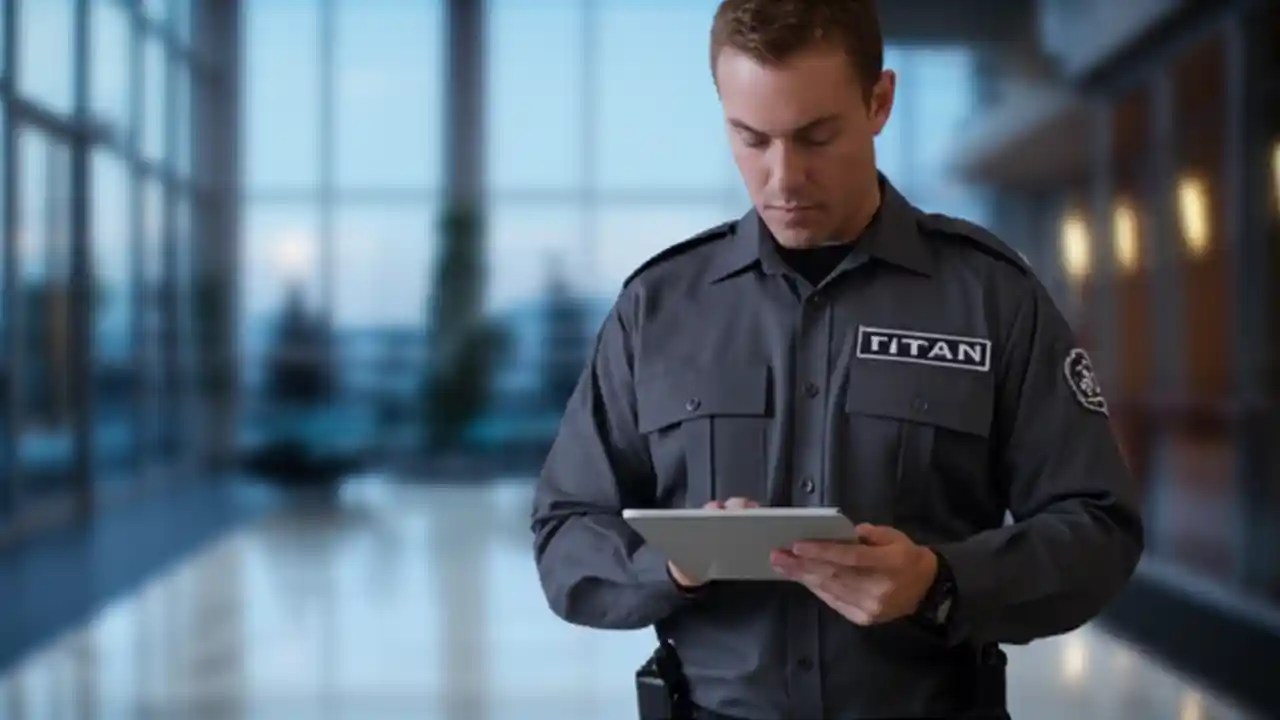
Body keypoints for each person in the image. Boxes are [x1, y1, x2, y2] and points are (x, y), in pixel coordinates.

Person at [530, 0, 1144, 717]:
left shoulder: (992, 298)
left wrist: (941, 583)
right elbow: (564, 534)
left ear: (879, 102)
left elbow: (1099, 531)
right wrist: (671, 566)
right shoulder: (657, 308)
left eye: (816, 137)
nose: (783, 179)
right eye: (751, 139)